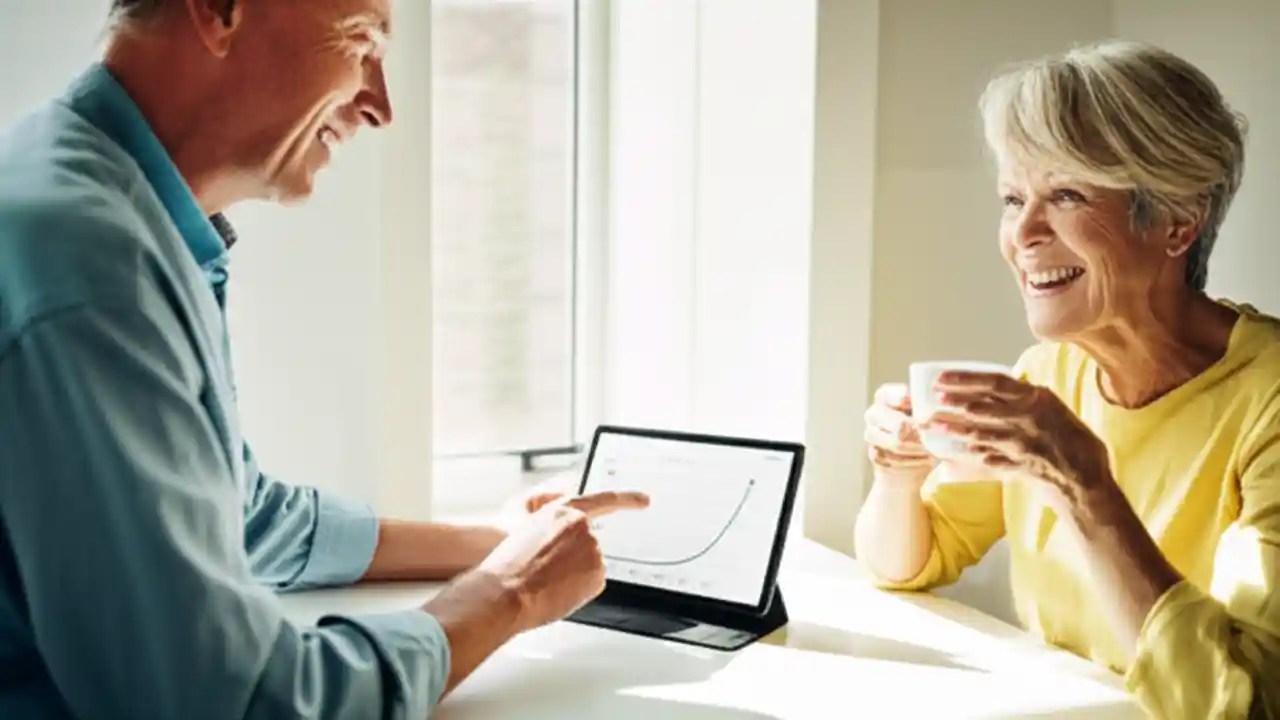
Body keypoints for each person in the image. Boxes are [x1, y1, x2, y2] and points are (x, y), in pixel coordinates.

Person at [0, 1, 649, 717]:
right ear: (219, 10)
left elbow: (241, 517)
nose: (380, 105)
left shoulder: (84, 189)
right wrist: (511, 593)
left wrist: (495, 540)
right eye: (362, 39)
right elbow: (233, 702)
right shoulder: (96, 267)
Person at [856, 40, 1279, 719]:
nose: (1022, 232)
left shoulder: (1269, 402)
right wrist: (897, 476)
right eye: (1012, 197)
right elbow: (909, 562)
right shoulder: (1047, 374)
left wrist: (1085, 487)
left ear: (1176, 222)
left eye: (1067, 194)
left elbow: (1243, 705)